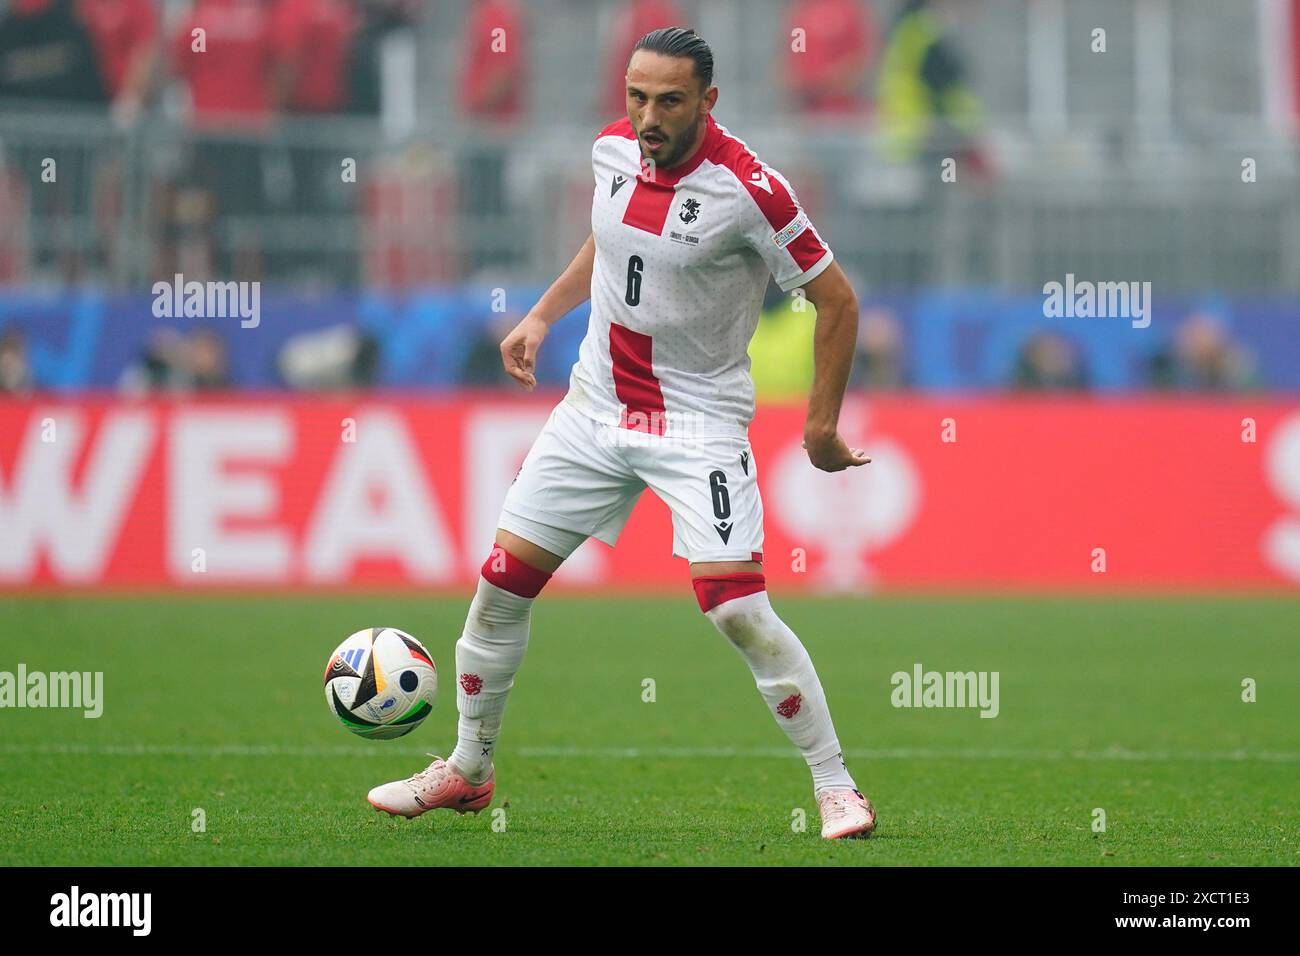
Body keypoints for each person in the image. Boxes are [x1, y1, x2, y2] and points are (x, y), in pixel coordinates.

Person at [367, 28, 877, 840]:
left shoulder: (752, 190)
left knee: (735, 610)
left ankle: (836, 785)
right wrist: (539, 316)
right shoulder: (609, 152)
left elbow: (838, 301)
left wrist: (820, 428)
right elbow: (608, 243)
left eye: (668, 101)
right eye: (636, 97)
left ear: (708, 102)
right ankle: (467, 769)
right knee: (500, 585)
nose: (647, 116)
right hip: (593, 411)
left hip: (698, 422)